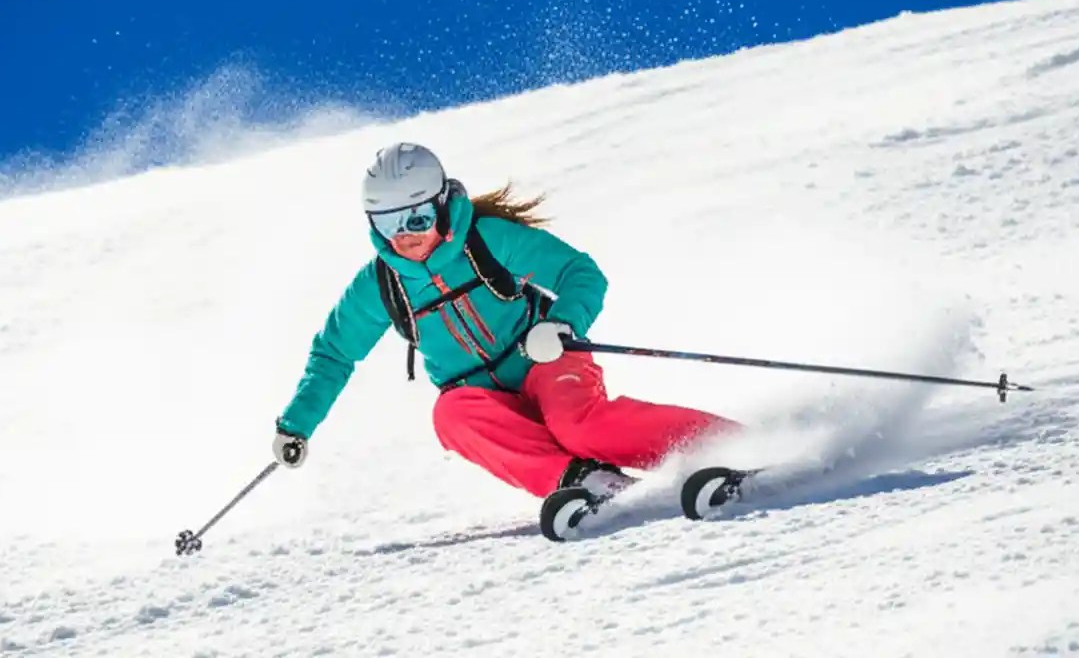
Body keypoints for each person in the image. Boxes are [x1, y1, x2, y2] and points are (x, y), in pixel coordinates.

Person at [272, 142, 737, 504]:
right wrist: (297, 424)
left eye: (416, 217)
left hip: (544, 359)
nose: (406, 235)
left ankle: (729, 447)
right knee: (449, 415)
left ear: (438, 205)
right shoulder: (380, 284)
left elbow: (580, 273)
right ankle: (583, 482)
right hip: (485, 400)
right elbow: (334, 353)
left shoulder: (486, 241)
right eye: (390, 223)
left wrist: (560, 326)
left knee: (579, 428)